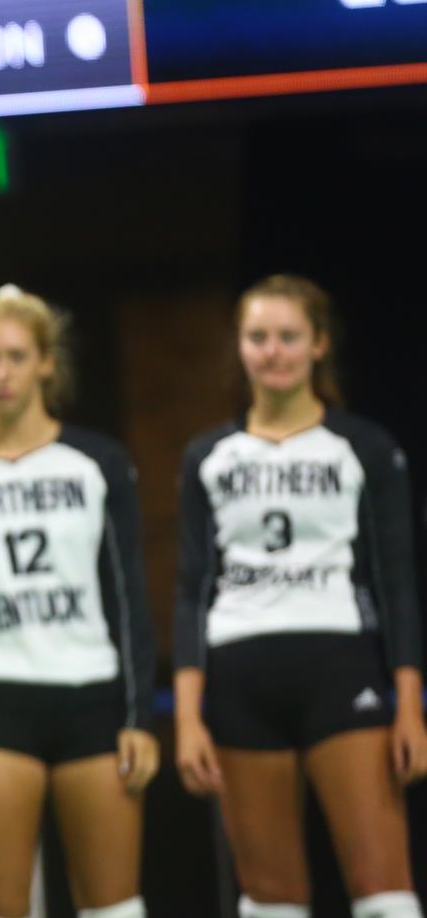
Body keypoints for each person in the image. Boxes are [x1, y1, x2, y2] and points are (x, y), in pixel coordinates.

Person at [173, 275, 424, 918]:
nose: (273, 351)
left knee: (387, 896)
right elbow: (190, 589)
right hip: (239, 679)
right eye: (258, 337)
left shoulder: (365, 448)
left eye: (288, 337)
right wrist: (187, 716)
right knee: (271, 901)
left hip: (342, 672)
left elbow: (397, 580)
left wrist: (409, 705)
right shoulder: (208, 455)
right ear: (240, 347)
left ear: (318, 345)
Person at [0, 284, 157, 918]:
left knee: (115, 906)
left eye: (16, 356)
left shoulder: (98, 463)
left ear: (47, 361)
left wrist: (139, 715)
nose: (1, 372)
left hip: (93, 697)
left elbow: (128, 595)